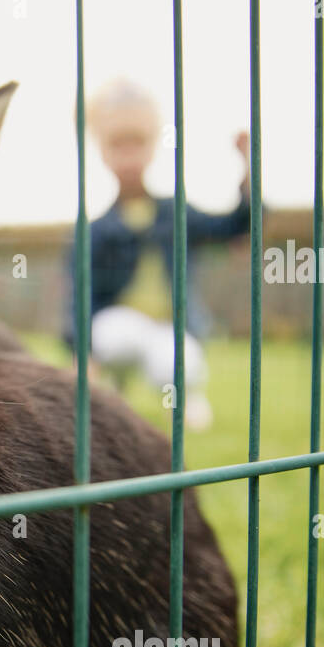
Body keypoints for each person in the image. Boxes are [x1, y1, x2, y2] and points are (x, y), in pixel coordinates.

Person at [65, 79, 249, 431]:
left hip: (170, 328)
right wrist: (80, 350)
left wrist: (246, 172)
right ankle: (114, 389)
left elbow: (232, 226)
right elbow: (78, 295)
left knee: (178, 361)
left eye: (136, 144)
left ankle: (184, 395)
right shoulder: (95, 229)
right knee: (114, 336)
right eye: (118, 145)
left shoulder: (176, 213)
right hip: (120, 326)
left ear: (151, 147)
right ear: (103, 151)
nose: (129, 157)